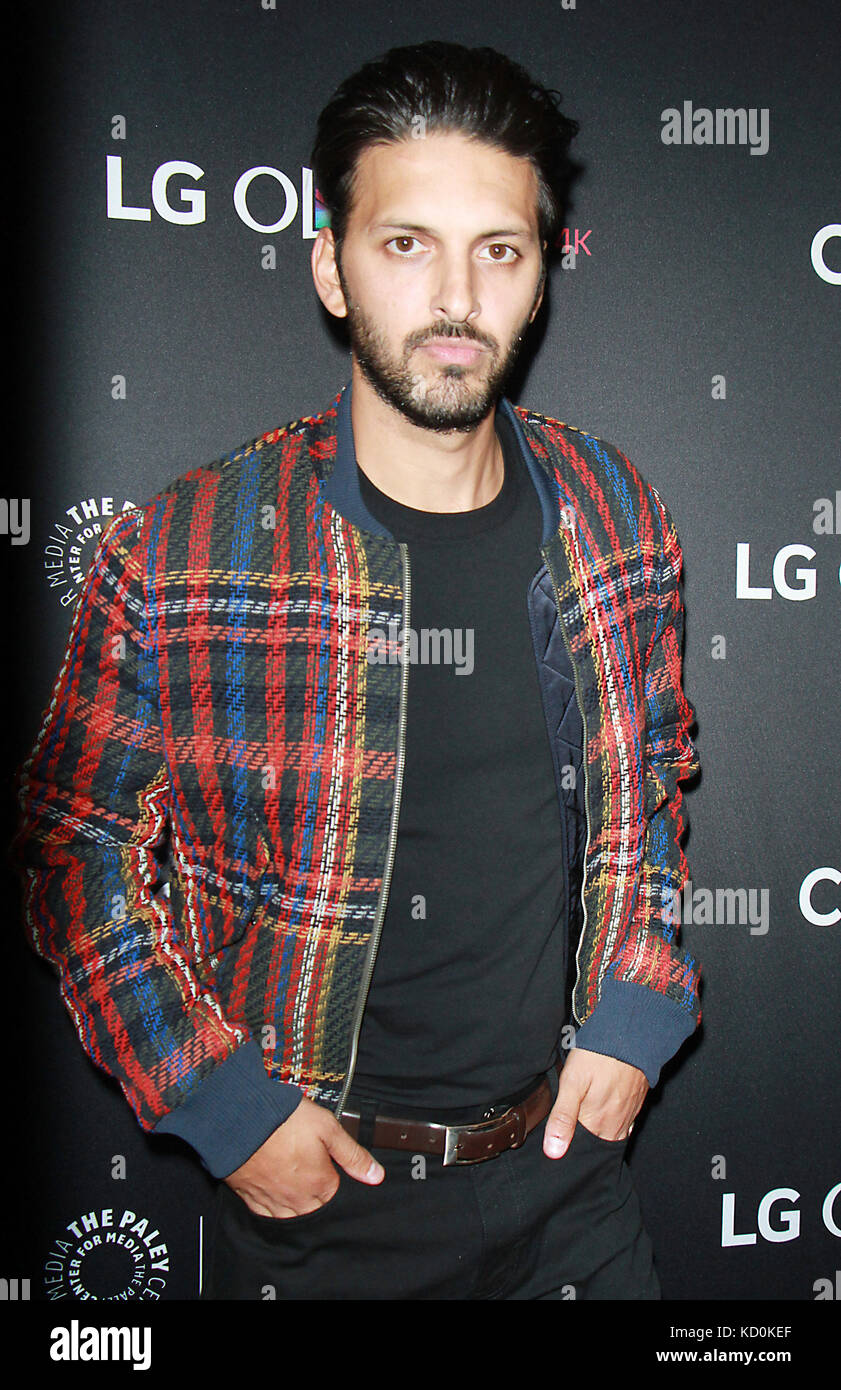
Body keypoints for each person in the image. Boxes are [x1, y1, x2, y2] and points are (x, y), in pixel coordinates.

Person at [12, 41, 700, 1300]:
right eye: (404, 245)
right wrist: (219, 1101)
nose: (456, 297)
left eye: (498, 249)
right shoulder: (181, 550)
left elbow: (648, 776)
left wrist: (637, 1004)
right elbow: (74, 842)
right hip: (323, 1209)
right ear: (330, 264)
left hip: (571, 1181)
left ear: (542, 275)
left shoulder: (615, 510)